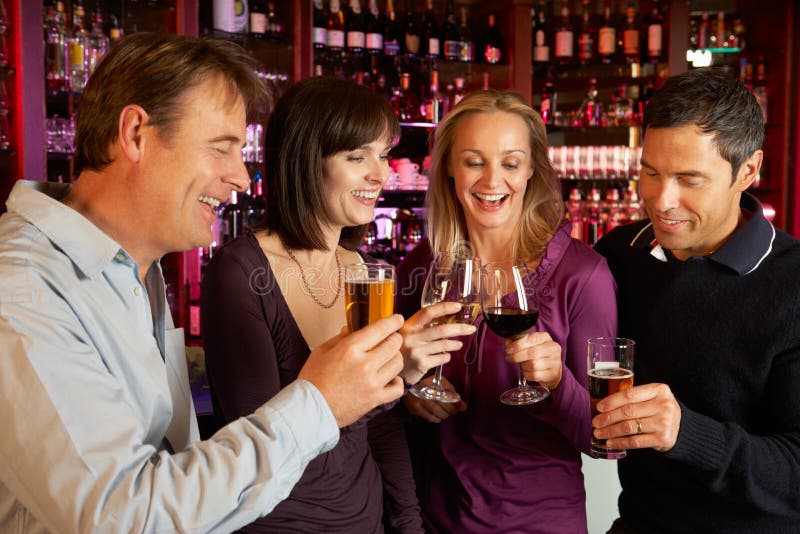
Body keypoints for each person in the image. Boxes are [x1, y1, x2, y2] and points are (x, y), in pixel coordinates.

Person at [0, 33, 406, 533]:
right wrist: (319, 402)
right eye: (221, 148)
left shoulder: (130, 269)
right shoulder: (21, 288)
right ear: (135, 135)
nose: (241, 176)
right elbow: (123, 519)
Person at [202, 75, 459, 533]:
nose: (380, 173)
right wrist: (392, 372)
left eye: (382, 154)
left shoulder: (362, 270)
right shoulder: (240, 273)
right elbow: (261, 448)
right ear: (305, 161)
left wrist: (409, 524)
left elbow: (380, 428)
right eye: (357, 156)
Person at [395, 89, 617, 533]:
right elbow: (388, 387)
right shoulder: (423, 268)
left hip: (537, 524)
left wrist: (556, 382)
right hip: (432, 519)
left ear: (531, 169)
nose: (492, 181)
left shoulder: (582, 276)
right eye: (474, 161)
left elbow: (604, 438)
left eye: (510, 163)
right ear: (449, 171)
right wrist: (408, 395)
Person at [593, 67, 800, 532]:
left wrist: (687, 434)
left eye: (689, 179)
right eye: (650, 173)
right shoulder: (619, 253)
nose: (662, 200)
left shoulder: (793, 284)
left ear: (748, 170)